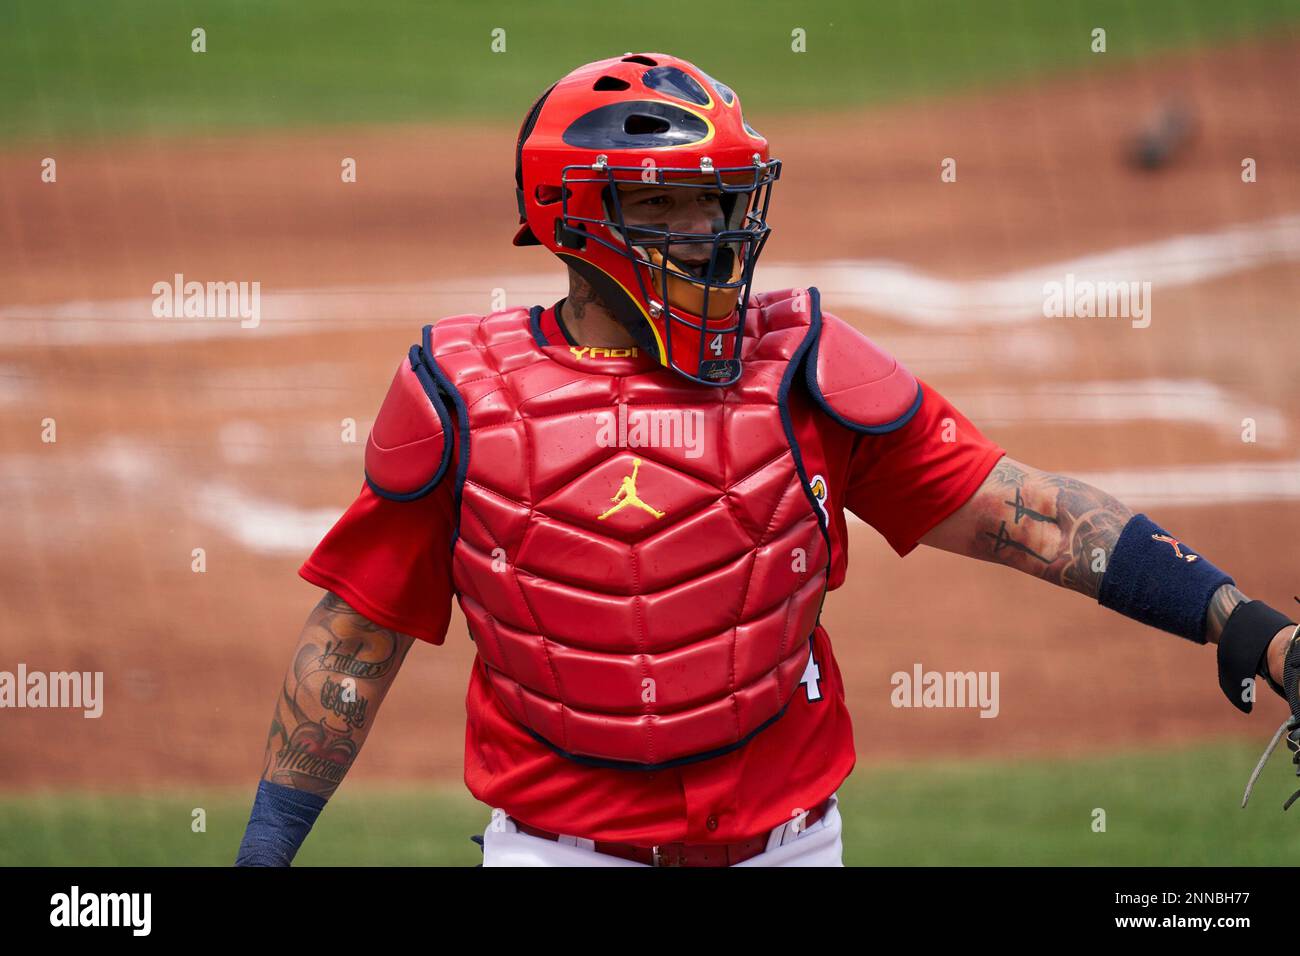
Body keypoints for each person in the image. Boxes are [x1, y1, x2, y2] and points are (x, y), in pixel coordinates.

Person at [236, 52, 1300, 868]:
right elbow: (354, 639)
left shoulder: (809, 371)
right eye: (672, 204)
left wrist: (1241, 620)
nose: (713, 233)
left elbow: (1023, 514)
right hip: (554, 855)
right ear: (575, 212)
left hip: (789, 847)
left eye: (720, 200)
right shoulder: (462, 395)